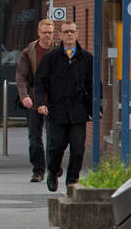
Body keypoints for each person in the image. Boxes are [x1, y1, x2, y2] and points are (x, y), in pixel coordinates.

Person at [36, 21, 97, 192]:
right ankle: (53, 172)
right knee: (56, 147)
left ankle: (72, 181)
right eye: (66, 32)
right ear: (60, 35)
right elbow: (40, 81)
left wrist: (95, 108)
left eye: (72, 31)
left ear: (77, 34)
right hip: (57, 110)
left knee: (78, 149)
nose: (69, 34)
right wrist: (41, 103)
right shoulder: (52, 57)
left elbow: (93, 84)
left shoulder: (86, 58)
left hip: (78, 111)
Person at [14, 19, 55, 183]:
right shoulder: (29, 51)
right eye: (45, 32)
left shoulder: (59, 51)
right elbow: (21, 76)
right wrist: (24, 96)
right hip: (35, 99)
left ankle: (53, 168)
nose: (47, 36)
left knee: (54, 138)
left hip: (54, 101)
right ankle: (38, 171)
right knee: (34, 138)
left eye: (50, 33)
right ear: (38, 33)